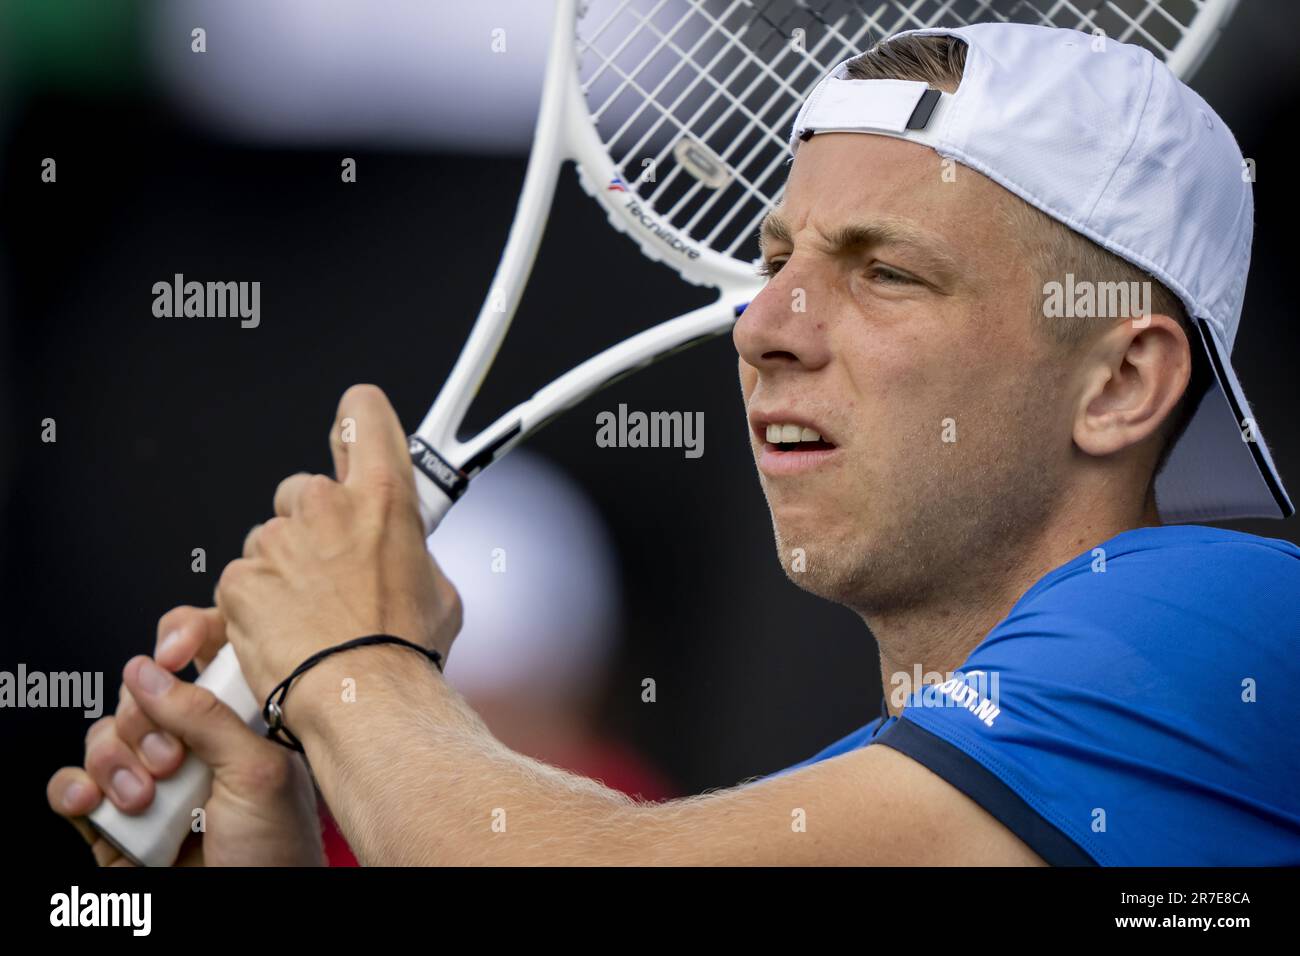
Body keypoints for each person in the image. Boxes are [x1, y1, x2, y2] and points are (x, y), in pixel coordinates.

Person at [48, 23, 1300, 866]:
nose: (766, 327)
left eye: (889, 273)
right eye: (771, 261)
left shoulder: (1231, 618)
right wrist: (279, 824)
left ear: (1123, 381)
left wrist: (348, 664)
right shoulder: (868, 789)